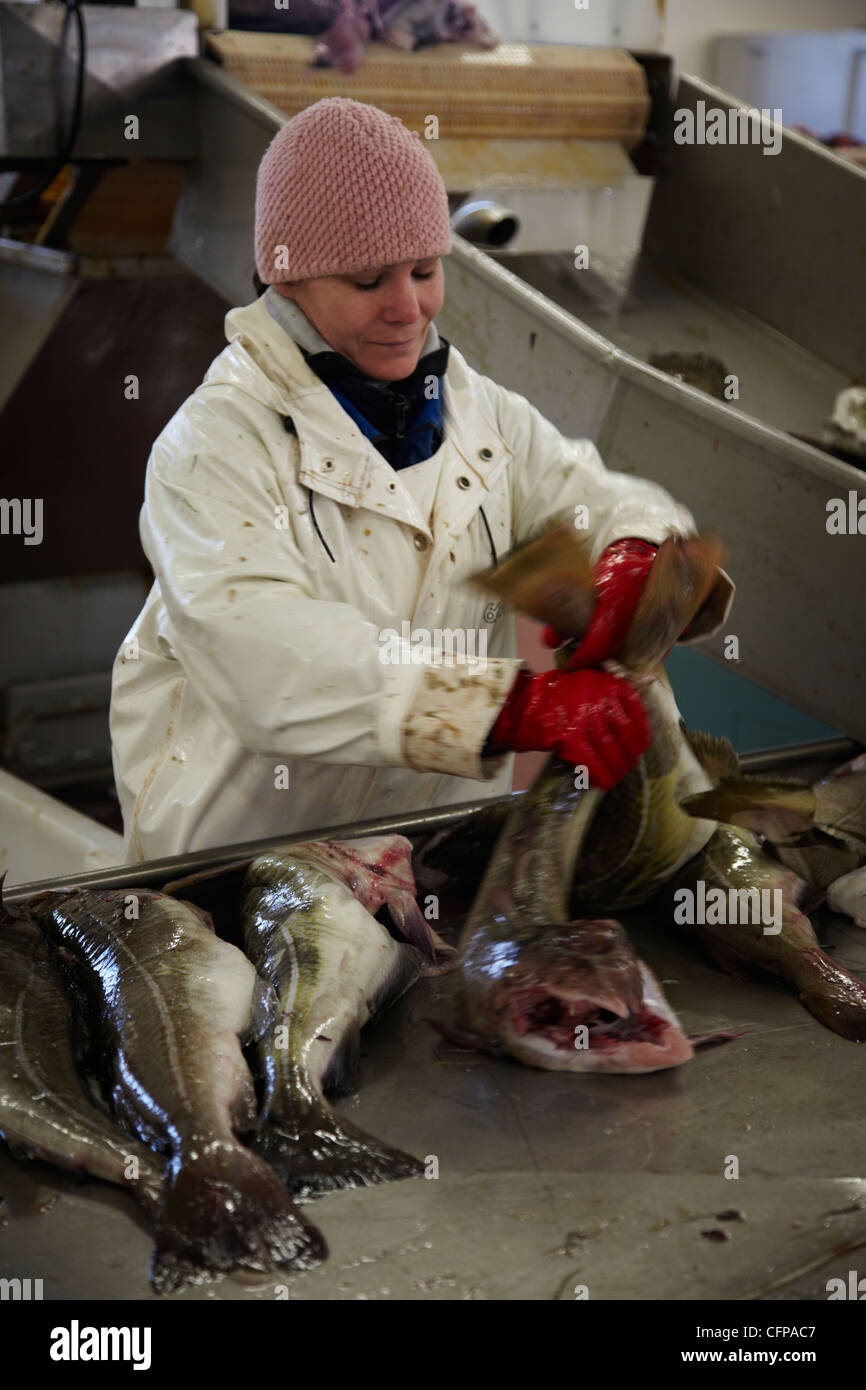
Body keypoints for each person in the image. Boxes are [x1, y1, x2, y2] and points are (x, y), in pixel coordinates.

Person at [109, 97, 733, 863]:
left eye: (426, 271)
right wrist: (510, 707)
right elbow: (268, 658)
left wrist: (635, 552)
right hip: (240, 879)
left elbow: (599, 494)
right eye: (369, 279)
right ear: (287, 277)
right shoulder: (212, 448)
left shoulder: (475, 413)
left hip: (425, 870)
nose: (408, 309)